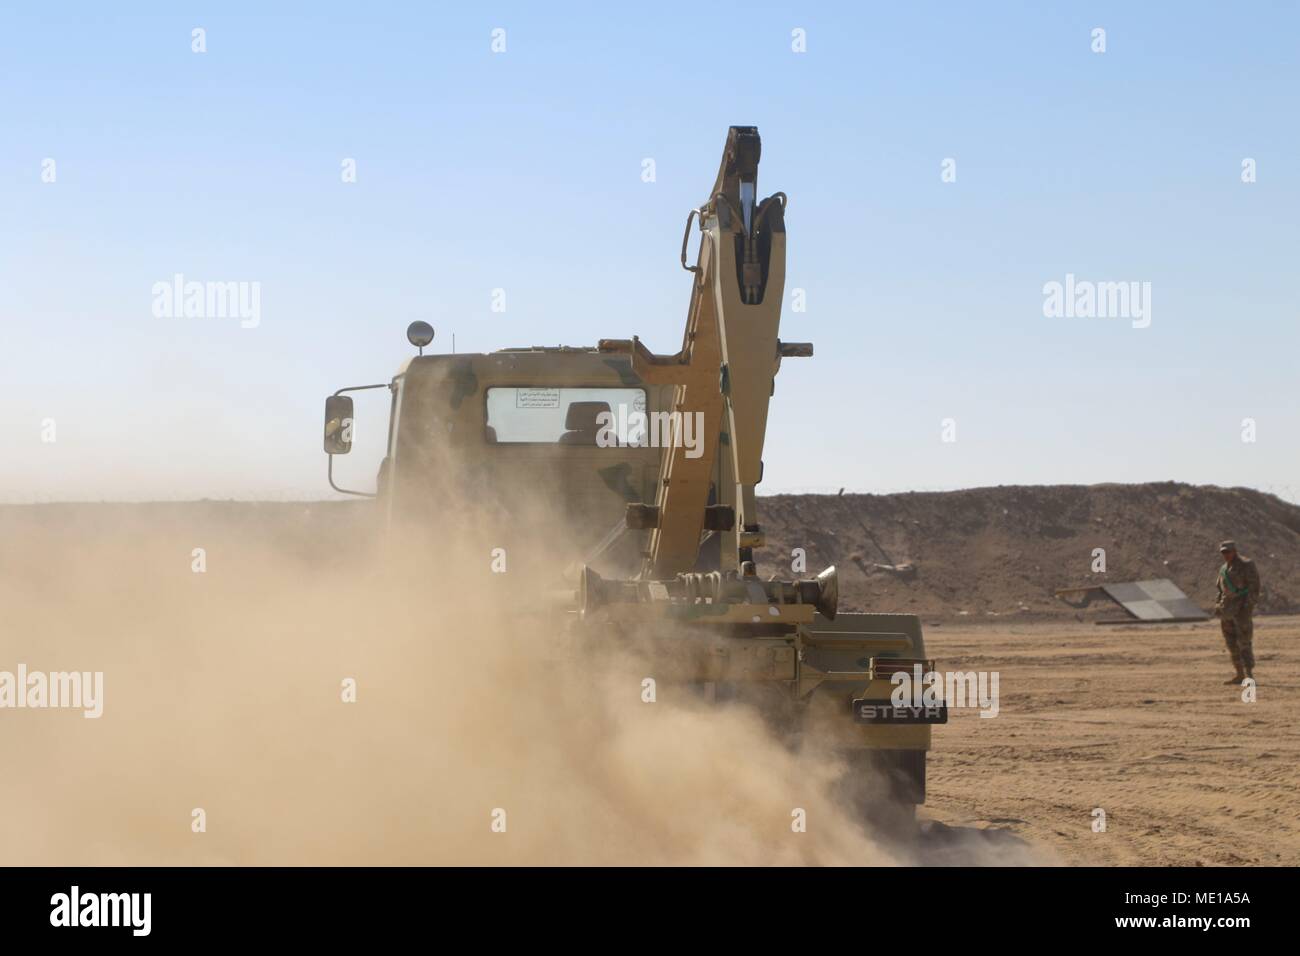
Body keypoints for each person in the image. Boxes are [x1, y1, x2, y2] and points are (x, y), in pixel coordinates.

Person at [1214, 540, 1261, 684]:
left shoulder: (1246, 564)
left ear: (1235, 550)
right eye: (1223, 552)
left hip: (1241, 611)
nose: (1226, 555)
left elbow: (1255, 588)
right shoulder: (1223, 569)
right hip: (1227, 612)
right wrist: (1218, 605)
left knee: (1244, 642)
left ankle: (1249, 674)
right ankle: (1239, 674)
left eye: (1228, 552)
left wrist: (1247, 608)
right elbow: (1220, 589)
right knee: (1231, 643)